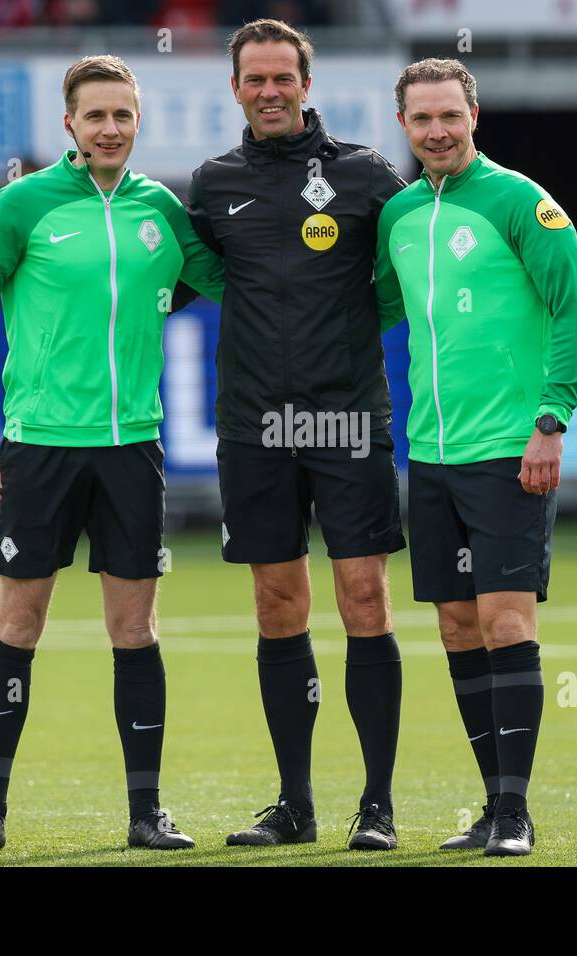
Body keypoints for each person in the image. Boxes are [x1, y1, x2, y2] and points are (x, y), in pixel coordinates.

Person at [0, 54, 224, 853]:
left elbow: (237, 283)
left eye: (123, 116)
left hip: (134, 448)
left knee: (134, 629)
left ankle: (146, 815)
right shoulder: (23, 205)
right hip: (39, 450)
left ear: (138, 123)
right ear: (69, 124)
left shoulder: (162, 212)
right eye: (95, 115)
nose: (109, 129)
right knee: (20, 620)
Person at [185, 19, 409, 850]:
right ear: (236, 89)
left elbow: (404, 281)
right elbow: (190, 276)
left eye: (285, 78)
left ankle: (377, 805)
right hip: (254, 426)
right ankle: (295, 804)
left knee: (363, 598)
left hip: (349, 417)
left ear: (306, 85)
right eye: (256, 80)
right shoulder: (212, 184)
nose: (271, 91)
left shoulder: (367, 176)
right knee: (278, 605)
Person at [375, 58, 577, 856]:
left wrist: (552, 418)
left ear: (475, 116)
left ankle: (514, 813)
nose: (436, 132)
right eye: (421, 120)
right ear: (402, 126)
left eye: (449, 117)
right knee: (459, 628)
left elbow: (574, 309)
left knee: (506, 622)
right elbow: (375, 309)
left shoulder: (521, 204)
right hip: (429, 454)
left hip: (509, 450)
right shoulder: (398, 216)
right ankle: (489, 807)